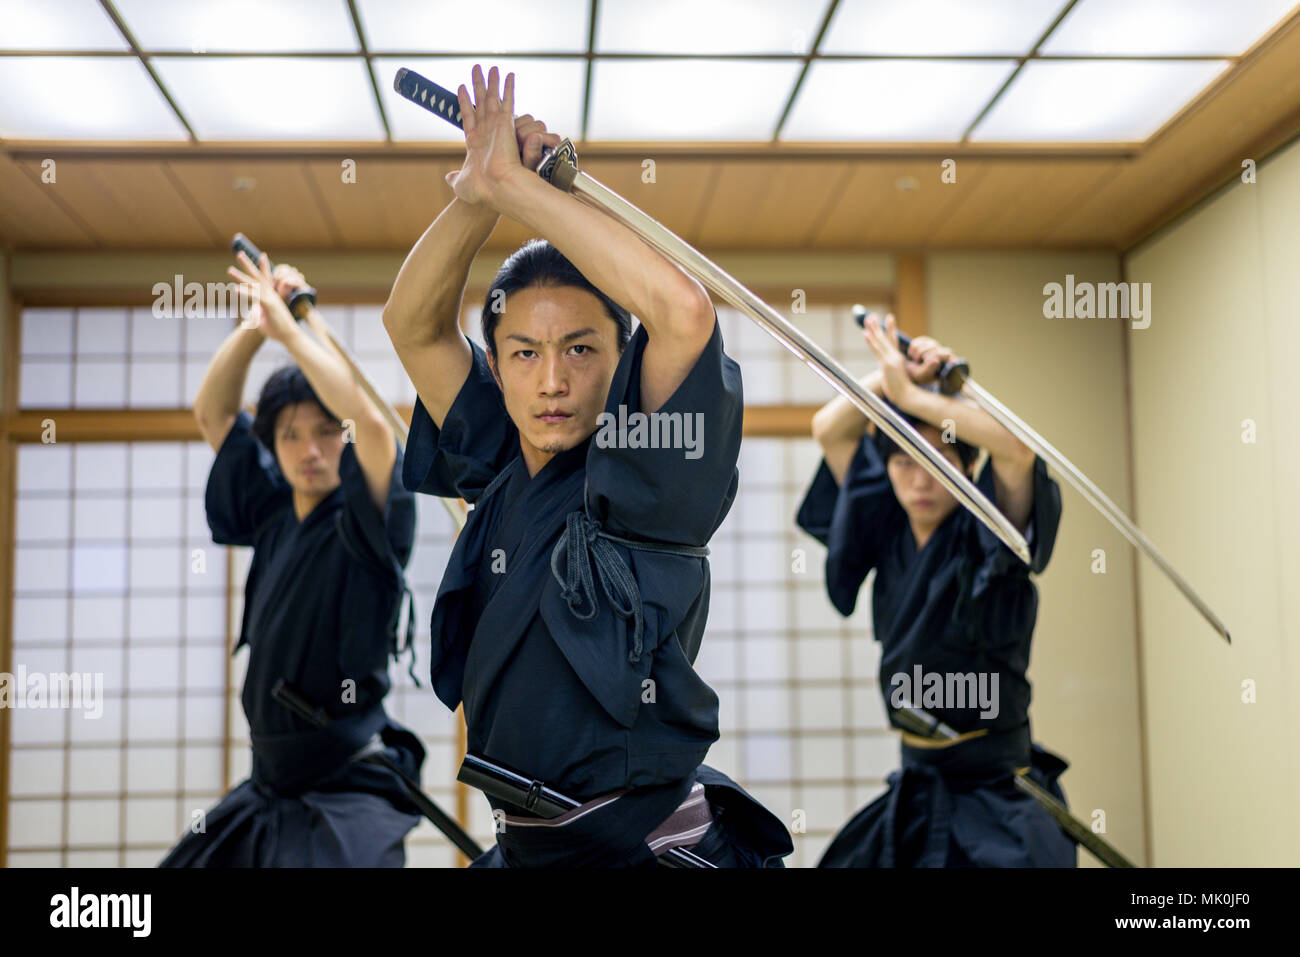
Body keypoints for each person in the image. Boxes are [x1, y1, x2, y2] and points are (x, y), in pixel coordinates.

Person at [382, 64, 791, 868]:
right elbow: (414, 325)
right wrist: (476, 195)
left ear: (620, 358)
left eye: (580, 349)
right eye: (524, 353)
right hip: (525, 848)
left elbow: (683, 312)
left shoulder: (651, 478)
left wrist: (528, 193)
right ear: (496, 366)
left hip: (641, 849)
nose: (553, 380)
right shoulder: (500, 463)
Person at [162, 255, 424, 867]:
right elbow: (215, 414)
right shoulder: (275, 513)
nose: (309, 450)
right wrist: (257, 325)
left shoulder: (369, 518)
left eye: (326, 432)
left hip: (345, 781)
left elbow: (374, 428)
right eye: (289, 435)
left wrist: (292, 335)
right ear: (273, 447)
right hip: (269, 782)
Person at [796, 312, 1075, 867]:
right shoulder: (883, 523)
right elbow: (829, 428)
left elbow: (1018, 453)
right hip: (919, 779)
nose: (919, 480)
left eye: (939, 461)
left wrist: (918, 400)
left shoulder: (991, 531)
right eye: (903, 461)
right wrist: (893, 378)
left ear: (969, 467)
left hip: (995, 785)